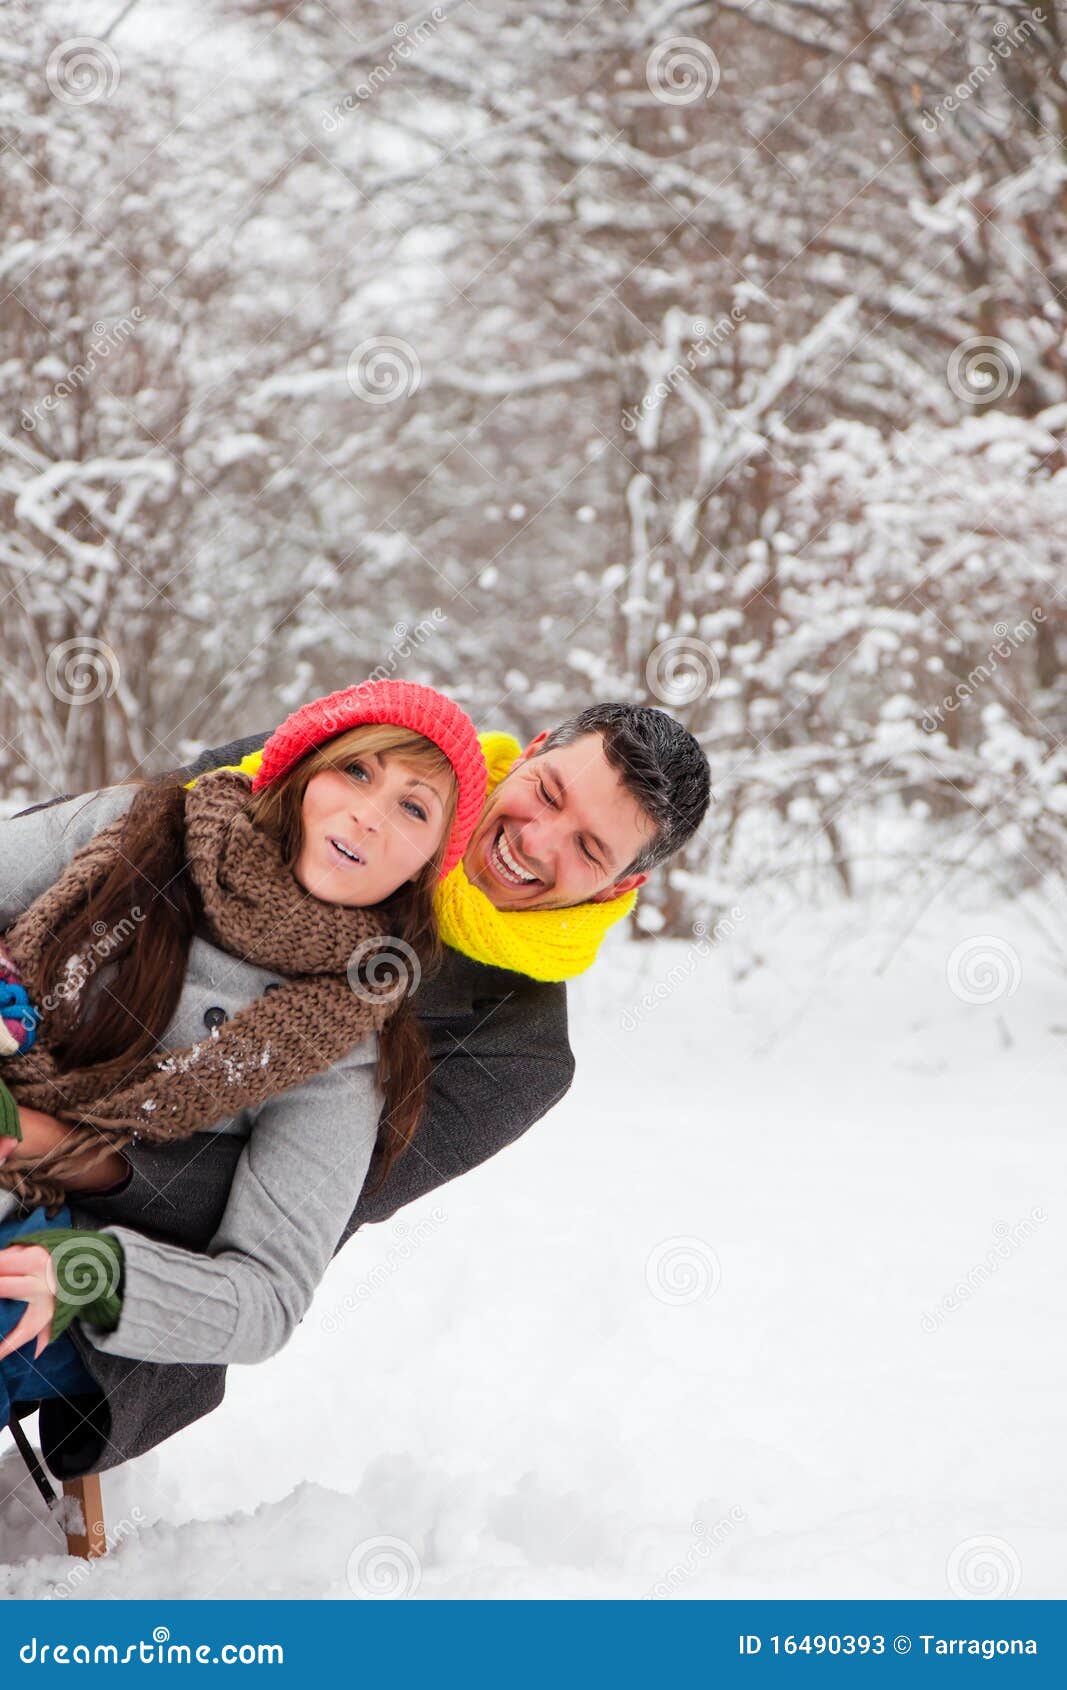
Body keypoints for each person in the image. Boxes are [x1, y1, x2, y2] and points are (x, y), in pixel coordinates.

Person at [1, 700, 711, 1479]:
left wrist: (46, 1144)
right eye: (546, 793)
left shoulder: (516, 1052)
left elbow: (283, 1209)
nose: (535, 841)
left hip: (149, 1249)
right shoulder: (367, 757)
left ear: (625, 880)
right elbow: (98, 846)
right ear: (534, 749)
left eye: (587, 847)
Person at [0, 681, 488, 1444]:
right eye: (357, 771)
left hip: (53, 1241)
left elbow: (268, 1295)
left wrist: (97, 1273)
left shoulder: (342, 1046)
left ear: (429, 863)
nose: (369, 814)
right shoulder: (137, 828)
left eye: (413, 808)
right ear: (302, 769)